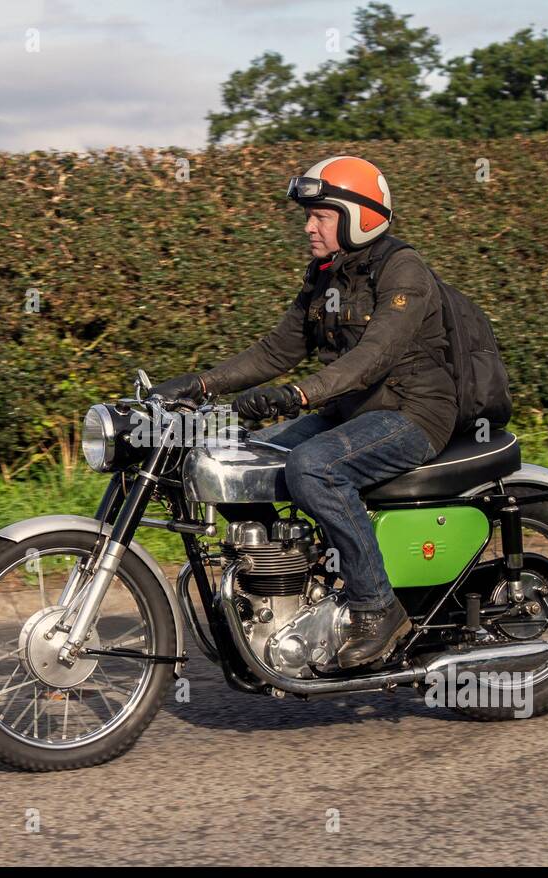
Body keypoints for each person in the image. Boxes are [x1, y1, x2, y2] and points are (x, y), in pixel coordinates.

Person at [153, 155, 459, 668]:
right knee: (237, 462)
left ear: (358, 216)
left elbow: (372, 358)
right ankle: (285, 584)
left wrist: (297, 396)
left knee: (312, 467)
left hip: (412, 414)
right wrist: (201, 383)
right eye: (309, 215)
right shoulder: (325, 278)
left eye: (320, 215)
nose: (308, 225)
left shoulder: (404, 270)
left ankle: (376, 606)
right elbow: (274, 352)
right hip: (352, 413)